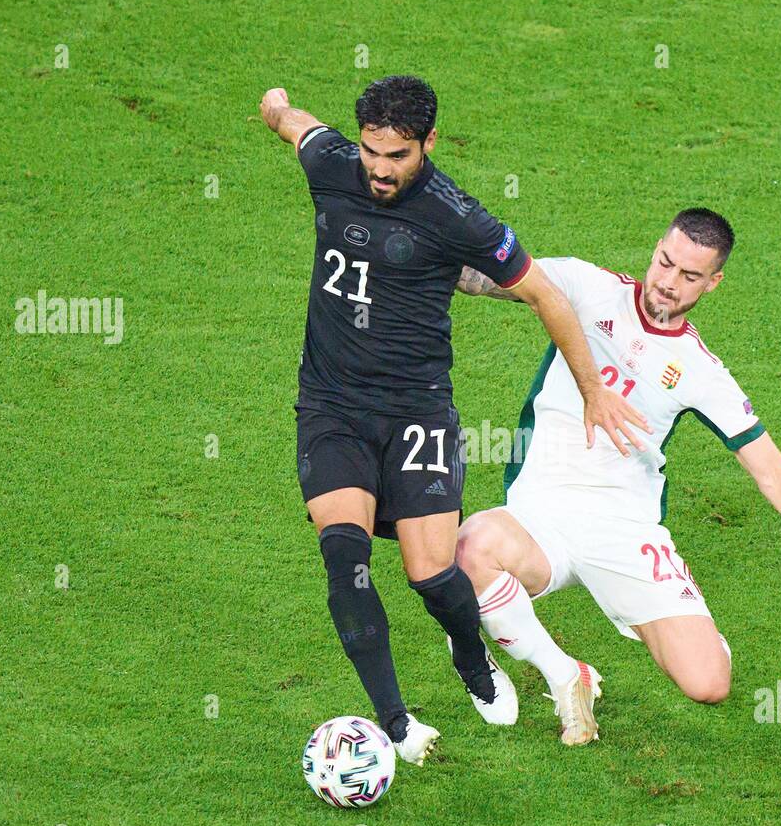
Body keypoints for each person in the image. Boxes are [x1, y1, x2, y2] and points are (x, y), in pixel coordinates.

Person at [259, 76, 650, 763]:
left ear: (429, 143)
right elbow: (296, 125)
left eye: (398, 155)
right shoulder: (331, 164)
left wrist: (593, 391)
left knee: (431, 572)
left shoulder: (457, 217)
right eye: (371, 151)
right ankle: (398, 725)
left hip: (416, 411)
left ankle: (471, 656)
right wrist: (277, 107)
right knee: (343, 556)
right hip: (332, 407)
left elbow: (546, 296)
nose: (380, 169)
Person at [453, 208, 781, 745]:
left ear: (713, 283)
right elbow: (479, 277)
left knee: (708, 683)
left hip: (624, 528)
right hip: (539, 513)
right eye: (664, 262)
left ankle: (691, 624)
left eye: (689, 276)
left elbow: (772, 472)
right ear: (655, 249)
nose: (667, 283)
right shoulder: (584, 285)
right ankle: (562, 673)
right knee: (471, 548)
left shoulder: (700, 370)